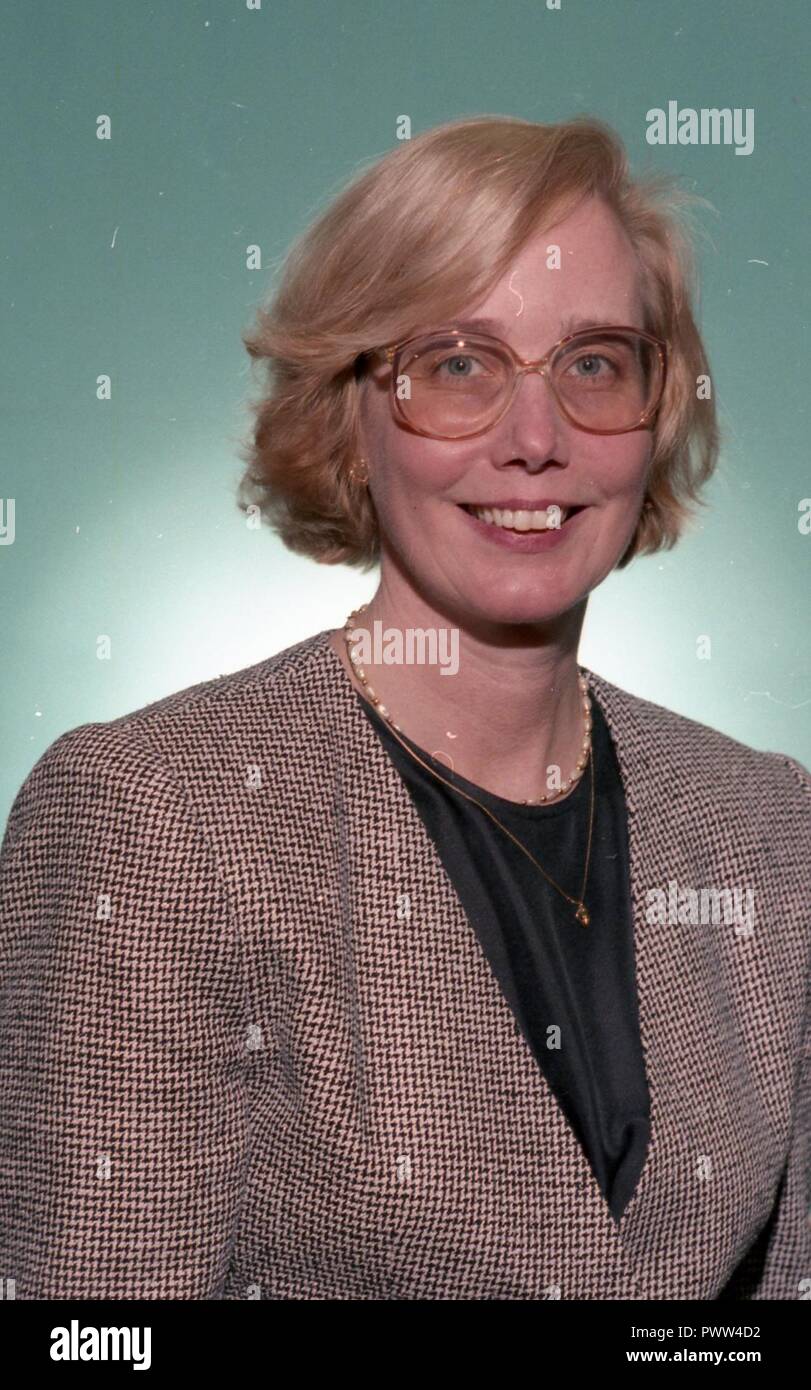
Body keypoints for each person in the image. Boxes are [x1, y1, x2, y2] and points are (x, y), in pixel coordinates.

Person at [0, 115, 808, 1301]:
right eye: (459, 365)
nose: (534, 442)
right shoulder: (153, 817)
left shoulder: (773, 829)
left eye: (593, 362)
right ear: (349, 412)